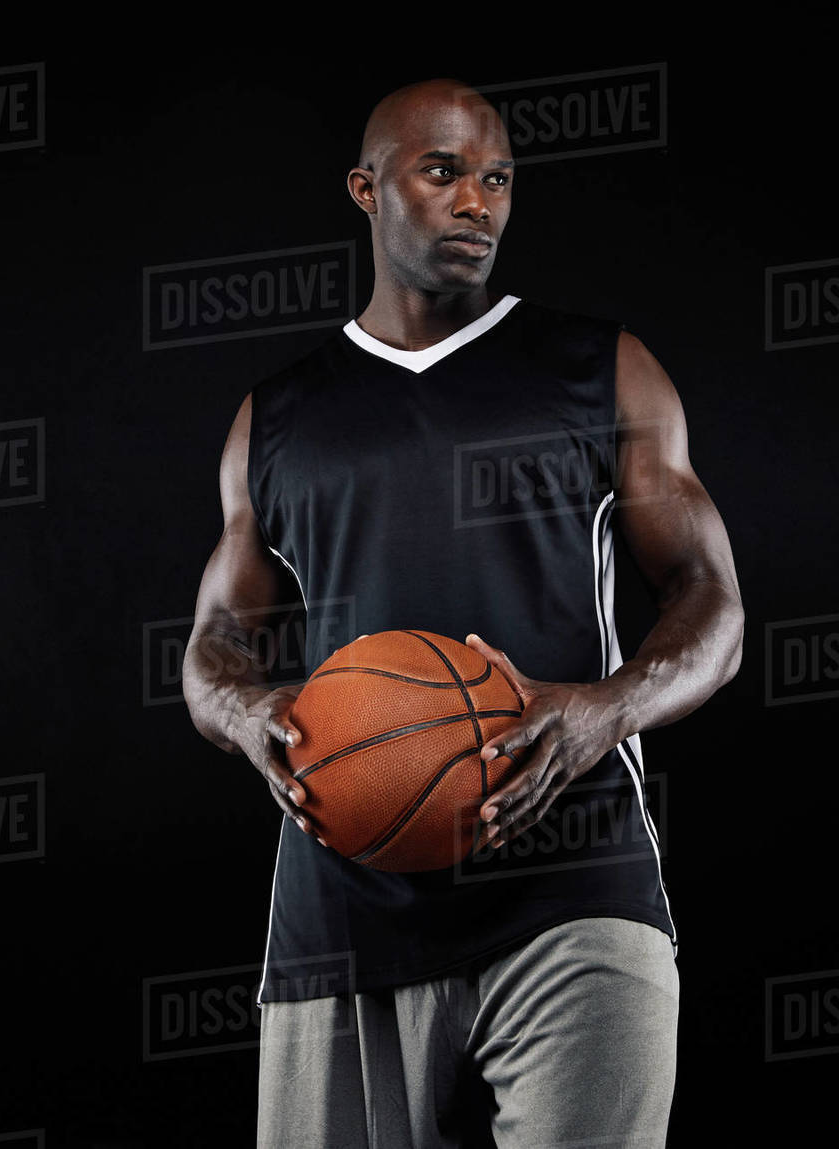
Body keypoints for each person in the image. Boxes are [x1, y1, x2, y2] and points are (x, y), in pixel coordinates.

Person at [182, 77, 743, 1148]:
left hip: (572, 882)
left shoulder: (598, 369)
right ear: (366, 188)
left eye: (496, 179)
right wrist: (254, 718)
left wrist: (604, 711)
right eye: (443, 173)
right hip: (343, 907)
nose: (477, 202)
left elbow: (713, 601)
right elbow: (214, 645)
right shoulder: (280, 418)